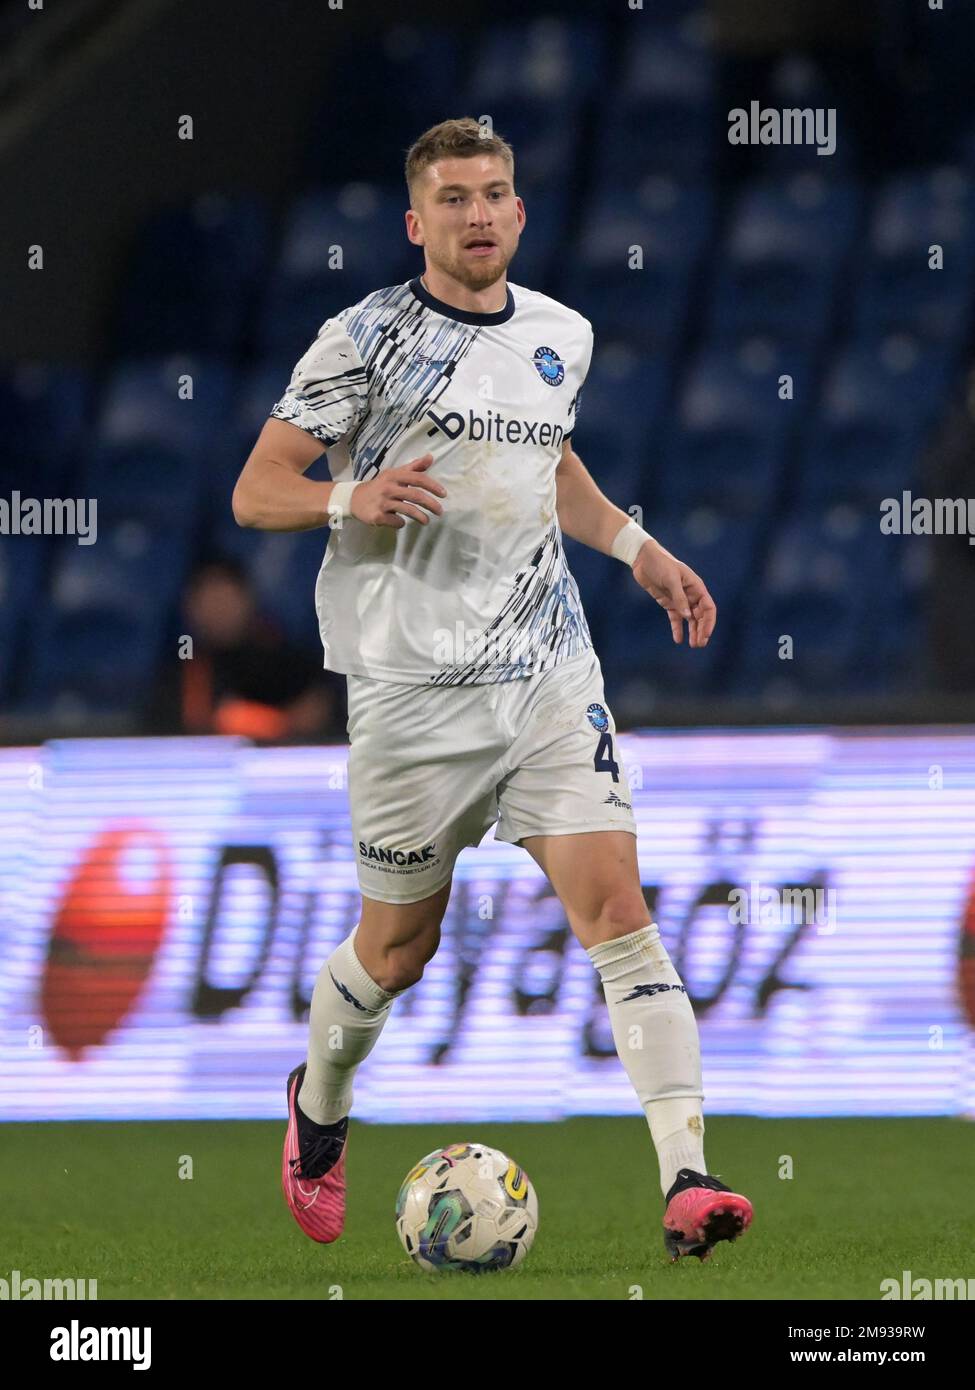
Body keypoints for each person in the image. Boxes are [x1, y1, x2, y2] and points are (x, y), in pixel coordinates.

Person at [233, 118, 752, 1262]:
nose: (478, 214)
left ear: (520, 211)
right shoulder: (365, 338)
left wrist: (637, 547)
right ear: (416, 222)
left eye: (495, 193)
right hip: (411, 696)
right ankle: (318, 1104)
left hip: (547, 675)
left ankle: (688, 1177)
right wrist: (348, 498)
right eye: (454, 198)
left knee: (618, 910)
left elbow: (546, 460)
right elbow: (256, 489)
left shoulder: (563, 334)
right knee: (396, 950)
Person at [144, 557, 346, 741]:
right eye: (210, 599)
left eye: (225, 598)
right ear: (190, 607)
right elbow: (192, 725)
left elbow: (318, 709)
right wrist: (279, 723)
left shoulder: (280, 655)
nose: (219, 610)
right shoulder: (184, 664)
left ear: (247, 599)